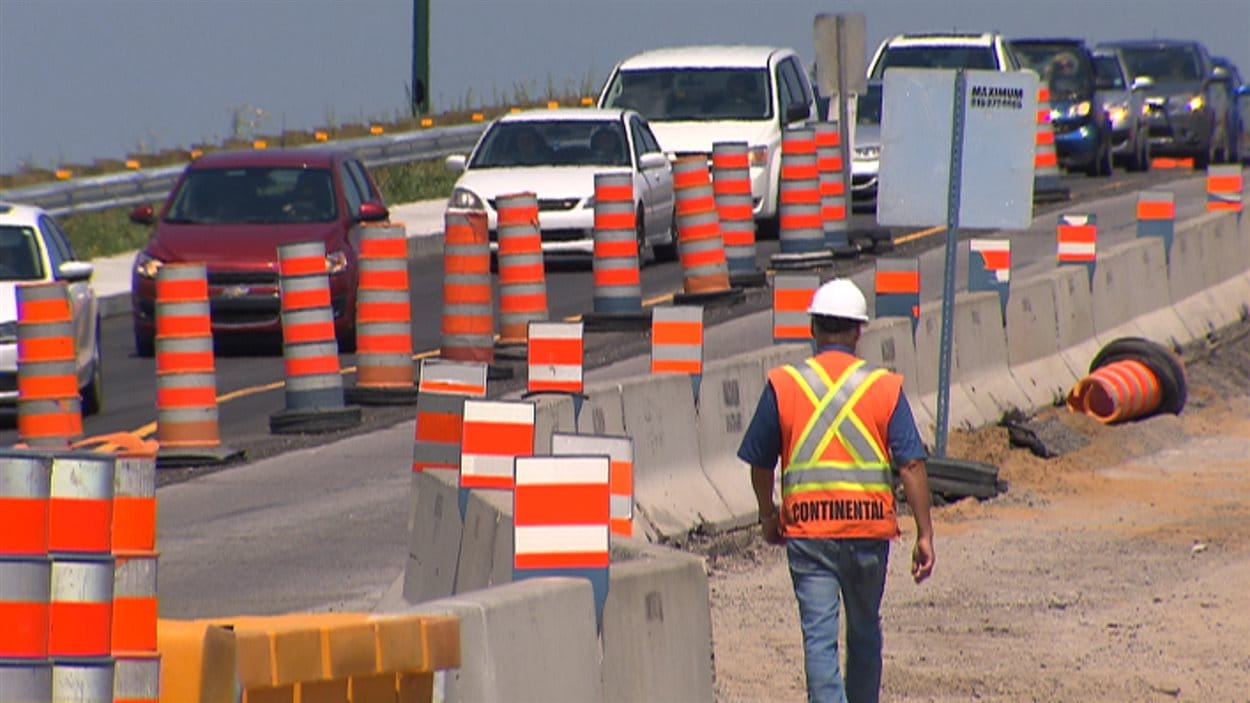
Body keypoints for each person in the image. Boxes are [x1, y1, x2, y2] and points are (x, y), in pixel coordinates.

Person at [737, 278, 935, 703]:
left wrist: (767, 514)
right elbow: (911, 464)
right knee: (864, 630)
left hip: (808, 534)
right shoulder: (883, 386)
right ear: (859, 332)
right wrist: (925, 533)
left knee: (819, 639)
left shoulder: (785, 384)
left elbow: (759, 461)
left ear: (813, 328)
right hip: (868, 533)